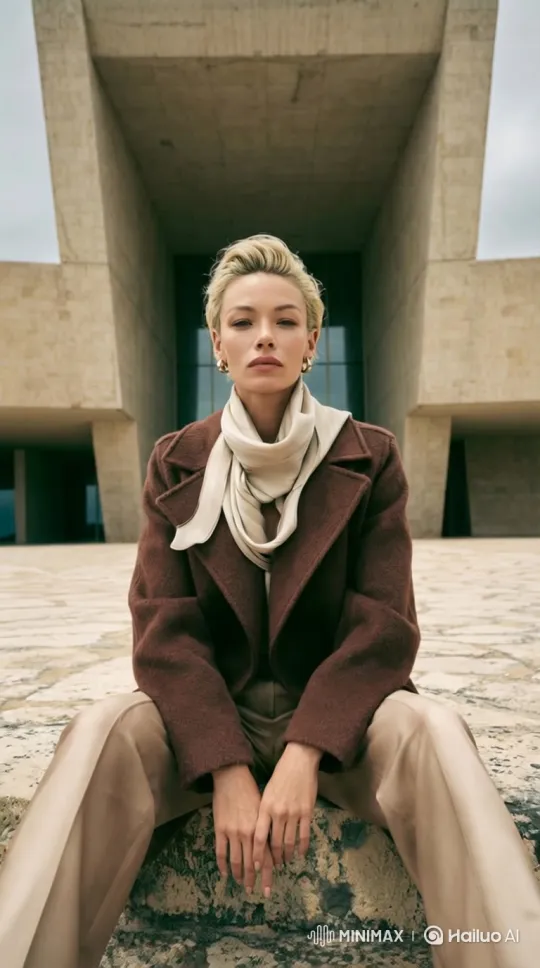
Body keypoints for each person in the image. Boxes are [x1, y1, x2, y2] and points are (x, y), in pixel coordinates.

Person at [0, 234, 538, 968]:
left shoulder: (369, 453)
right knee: (101, 729)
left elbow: (383, 626)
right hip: (207, 719)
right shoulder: (175, 461)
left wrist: (304, 751)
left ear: (311, 344)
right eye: (244, 321)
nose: (265, 336)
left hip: (341, 724)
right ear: (217, 345)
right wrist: (226, 766)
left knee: (436, 730)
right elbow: (164, 629)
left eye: (286, 321)